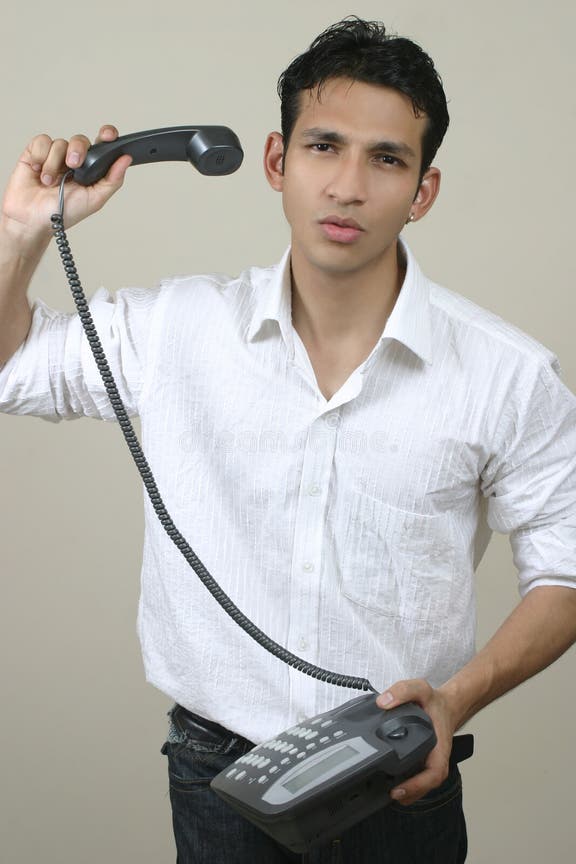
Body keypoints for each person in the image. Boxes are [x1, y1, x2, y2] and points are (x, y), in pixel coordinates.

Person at [1, 16, 575, 864]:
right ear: (276, 161)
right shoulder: (177, 330)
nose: (347, 186)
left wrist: (455, 702)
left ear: (424, 190)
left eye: (386, 159)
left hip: (402, 777)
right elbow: (12, 368)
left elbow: (566, 568)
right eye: (323, 147)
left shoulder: (509, 375)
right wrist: (21, 233)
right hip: (216, 776)